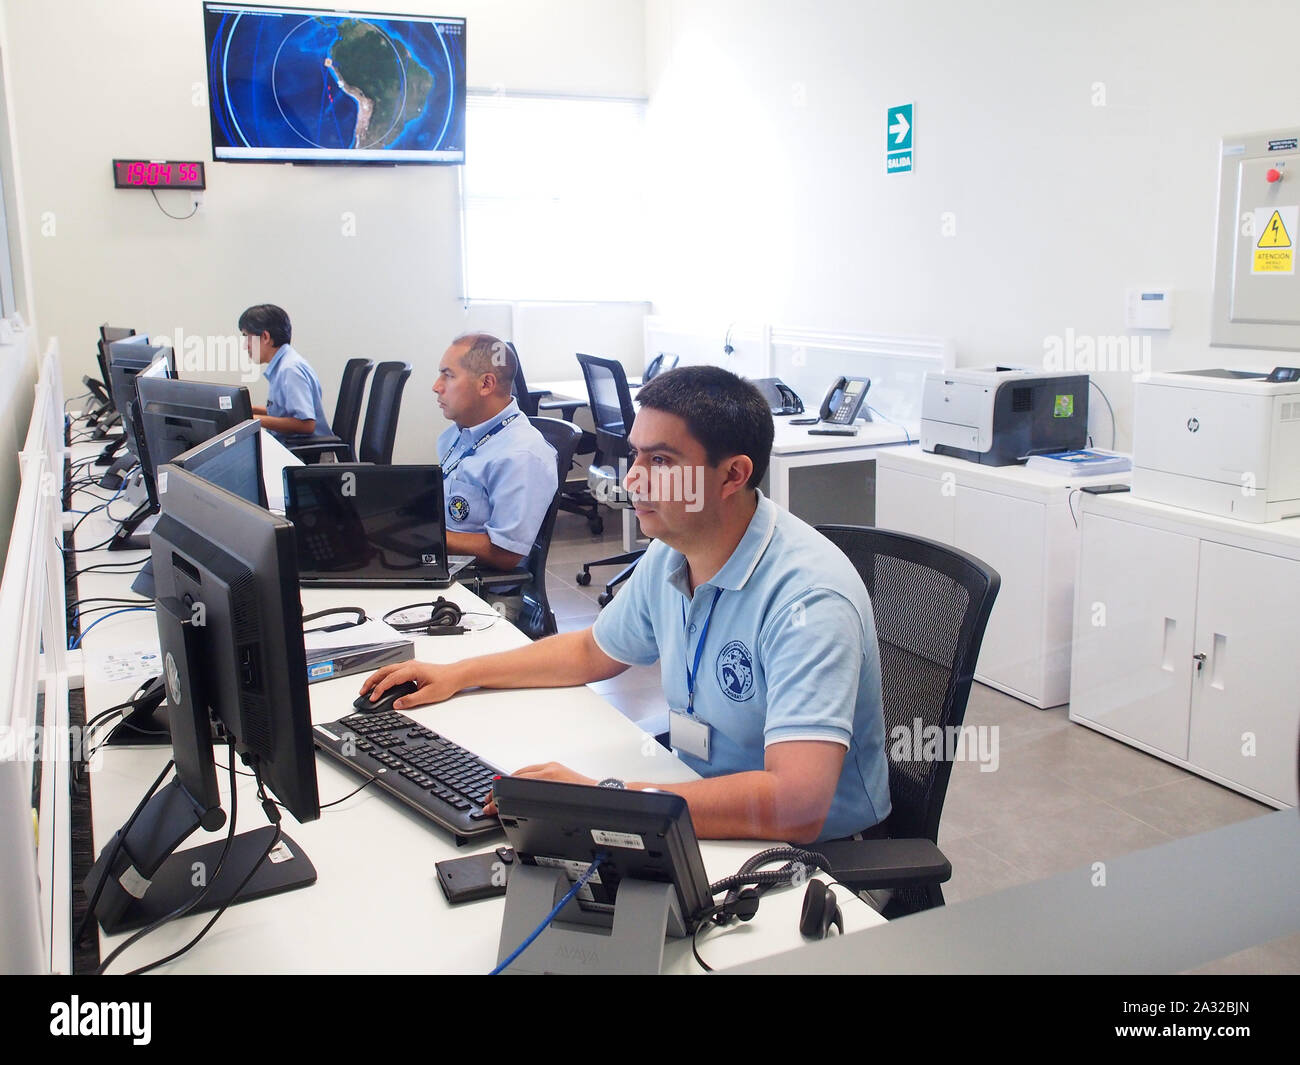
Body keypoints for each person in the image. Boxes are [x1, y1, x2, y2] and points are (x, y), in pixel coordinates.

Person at [361, 366, 891, 844]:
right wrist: (460, 673)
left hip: (806, 852)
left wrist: (607, 798)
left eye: (660, 461)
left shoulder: (807, 600)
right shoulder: (674, 550)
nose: (632, 478)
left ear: (732, 475)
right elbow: (593, 651)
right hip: (695, 797)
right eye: (634, 455)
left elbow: (798, 806)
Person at [433, 333, 557, 570]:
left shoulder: (522, 455)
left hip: (481, 589)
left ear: (485, 384)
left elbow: (505, 553)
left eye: (448, 376)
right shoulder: (456, 433)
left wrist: (423, 537)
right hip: (444, 564)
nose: (436, 387)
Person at [239, 304, 332, 441]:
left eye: (247, 337)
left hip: (306, 454)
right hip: (296, 448)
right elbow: (284, 413)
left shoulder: (290, 369)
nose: (245, 346)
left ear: (265, 337)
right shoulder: (283, 365)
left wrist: (254, 419)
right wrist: (249, 410)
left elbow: (306, 424)